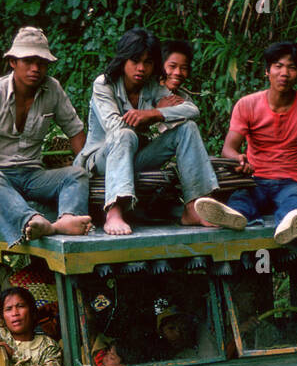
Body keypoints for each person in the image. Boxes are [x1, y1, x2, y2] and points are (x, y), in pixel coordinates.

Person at [195, 41, 297, 248]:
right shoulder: (247, 104)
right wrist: (238, 159)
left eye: (292, 67)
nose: (284, 73)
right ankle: (232, 216)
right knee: (241, 200)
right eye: (278, 66)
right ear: (267, 71)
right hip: (254, 180)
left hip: (292, 182)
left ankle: (290, 224)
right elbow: (228, 148)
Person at [75, 28, 224, 235]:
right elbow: (114, 127)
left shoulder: (151, 85)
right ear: (123, 60)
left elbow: (192, 110)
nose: (141, 68)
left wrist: (156, 113)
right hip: (101, 160)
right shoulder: (104, 84)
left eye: (148, 62)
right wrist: (147, 116)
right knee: (124, 134)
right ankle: (114, 211)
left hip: (136, 158)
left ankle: (193, 207)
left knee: (187, 128)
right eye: (135, 61)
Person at [0, 27, 93, 244]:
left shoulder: (52, 89)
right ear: (13, 62)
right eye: (28, 61)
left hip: (33, 175)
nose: (35, 69)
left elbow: (75, 131)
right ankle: (32, 221)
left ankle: (67, 219)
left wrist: (88, 168)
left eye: (41, 63)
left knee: (77, 174)